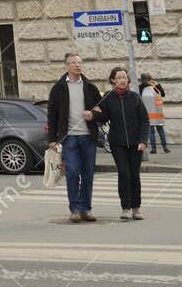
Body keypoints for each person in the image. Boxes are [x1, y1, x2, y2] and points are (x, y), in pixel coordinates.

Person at [45, 52, 103, 222]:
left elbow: (101, 111)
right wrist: (52, 139)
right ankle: (75, 209)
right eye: (73, 63)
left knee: (88, 174)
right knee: (73, 172)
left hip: (88, 137)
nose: (77, 65)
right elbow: (52, 114)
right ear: (67, 66)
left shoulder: (90, 87)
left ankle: (86, 208)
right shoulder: (58, 88)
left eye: (79, 62)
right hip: (69, 138)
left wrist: (93, 115)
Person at [94, 67, 150, 220]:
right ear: (113, 80)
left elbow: (145, 121)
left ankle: (136, 208)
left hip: (135, 143)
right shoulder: (108, 97)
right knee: (123, 173)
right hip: (117, 143)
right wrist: (94, 114)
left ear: (128, 79)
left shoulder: (135, 97)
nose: (122, 80)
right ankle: (125, 207)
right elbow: (103, 118)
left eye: (124, 77)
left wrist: (143, 141)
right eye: (118, 77)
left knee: (134, 175)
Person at [139, 74, 170, 153]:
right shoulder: (156, 87)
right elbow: (163, 94)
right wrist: (158, 84)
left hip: (148, 114)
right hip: (158, 113)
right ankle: (165, 147)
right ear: (150, 79)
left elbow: (139, 98)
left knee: (151, 132)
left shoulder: (141, 88)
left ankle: (153, 149)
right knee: (160, 130)